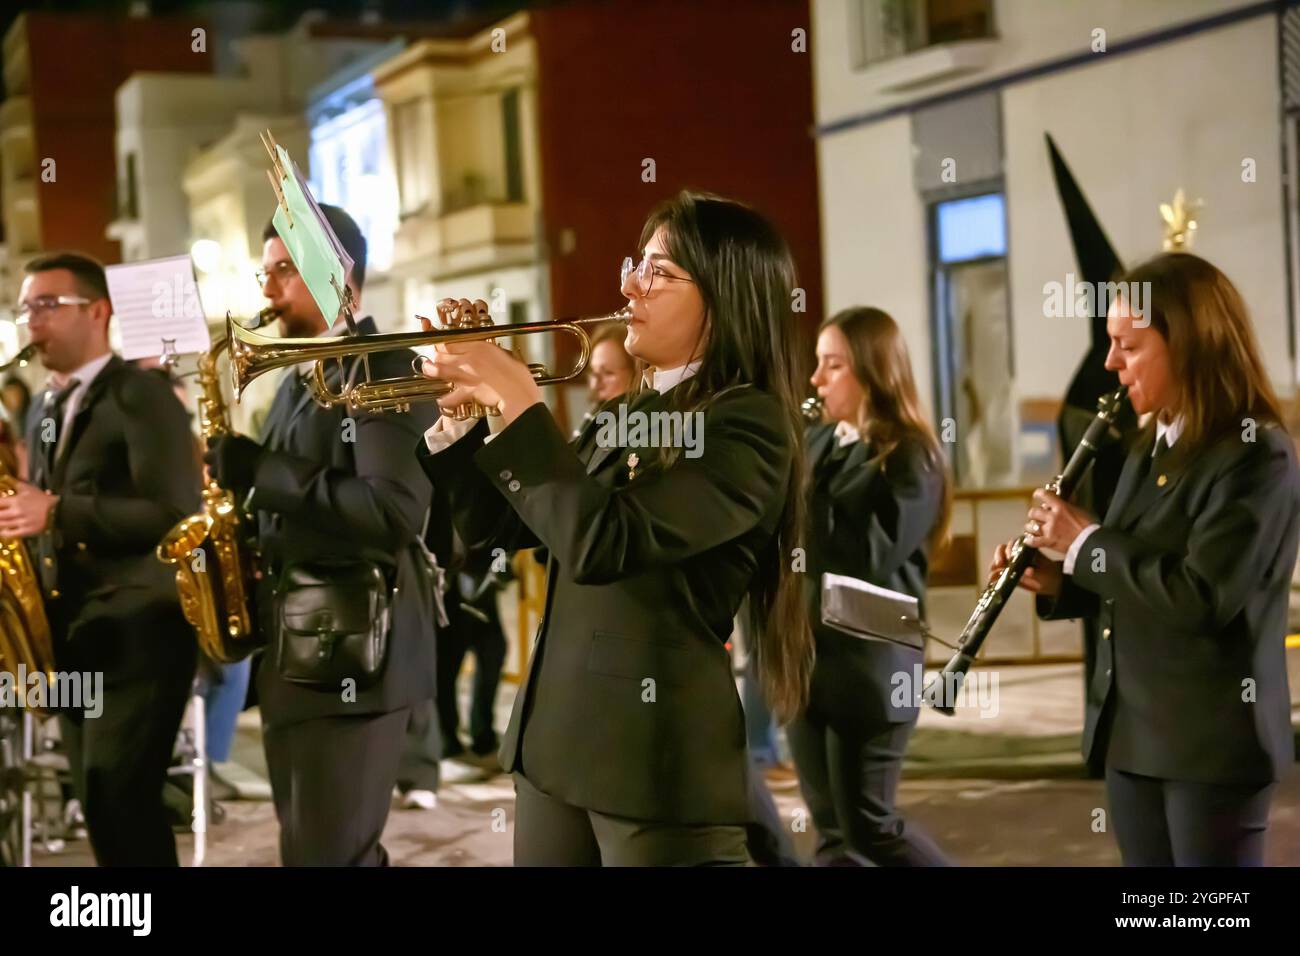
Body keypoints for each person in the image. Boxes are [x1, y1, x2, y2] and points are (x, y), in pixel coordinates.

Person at [416, 191, 813, 865]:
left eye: (659, 271)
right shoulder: (624, 410)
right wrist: (470, 419)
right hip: (554, 743)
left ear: (725, 295)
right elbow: (504, 532)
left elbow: (606, 541)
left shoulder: (747, 424)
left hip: (652, 760)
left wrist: (518, 402)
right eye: (638, 264)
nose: (629, 283)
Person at [992, 251, 1299, 866]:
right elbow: (1138, 579)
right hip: (1135, 738)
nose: (1110, 363)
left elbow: (1201, 596)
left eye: (1128, 345)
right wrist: (1059, 579)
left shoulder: (1254, 454)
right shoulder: (1148, 445)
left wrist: (1083, 540)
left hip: (1208, 747)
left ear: (1187, 344)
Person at [204, 205, 440, 865]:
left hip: (359, 650)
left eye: (285, 270)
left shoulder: (382, 364)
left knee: (333, 855)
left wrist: (263, 470)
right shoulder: (300, 379)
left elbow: (395, 512)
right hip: (302, 649)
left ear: (338, 271)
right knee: (310, 853)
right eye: (267, 270)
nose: (269, 288)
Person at [0, 252, 200, 865]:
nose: (32, 320)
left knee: (122, 796)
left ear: (97, 311)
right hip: (78, 637)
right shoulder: (42, 407)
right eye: (25, 306)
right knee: (97, 800)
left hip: (142, 636)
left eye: (47, 305)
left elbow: (174, 510)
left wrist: (57, 511)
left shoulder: (142, 395)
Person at [790, 306, 952, 866]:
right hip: (808, 659)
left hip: (872, 665)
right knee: (833, 834)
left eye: (832, 365)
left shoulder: (911, 455)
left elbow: (867, 555)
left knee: (871, 828)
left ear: (874, 372)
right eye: (818, 363)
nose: (816, 379)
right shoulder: (818, 441)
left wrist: (798, 493)